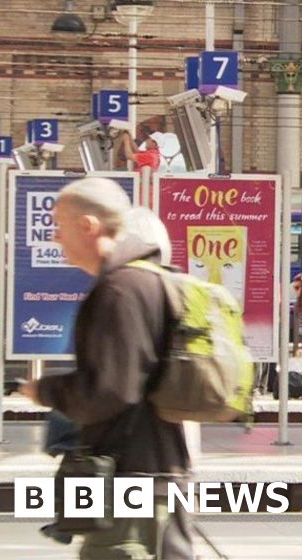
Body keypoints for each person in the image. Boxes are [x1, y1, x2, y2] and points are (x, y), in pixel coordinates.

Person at [20, 177, 193, 559]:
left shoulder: (121, 289)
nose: (55, 237)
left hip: (129, 477)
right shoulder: (150, 280)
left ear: (88, 225)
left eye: (59, 226)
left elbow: (112, 390)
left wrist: (46, 391)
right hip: (155, 473)